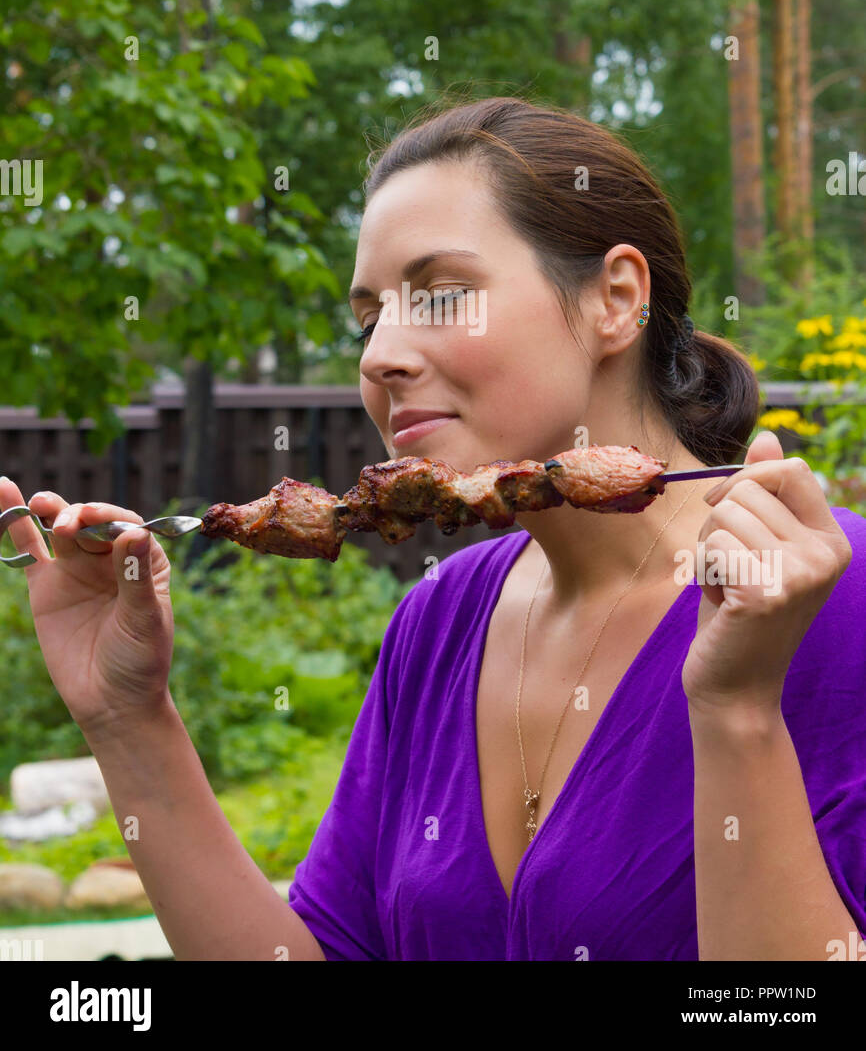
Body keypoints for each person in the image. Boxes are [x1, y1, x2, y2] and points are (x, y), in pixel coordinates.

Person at [3, 95, 864, 961]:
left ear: (615, 299)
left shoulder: (825, 595)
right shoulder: (441, 618)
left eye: (442, 296)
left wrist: (737, 710)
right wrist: (127, 718)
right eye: (369, 319)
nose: (379, 356)